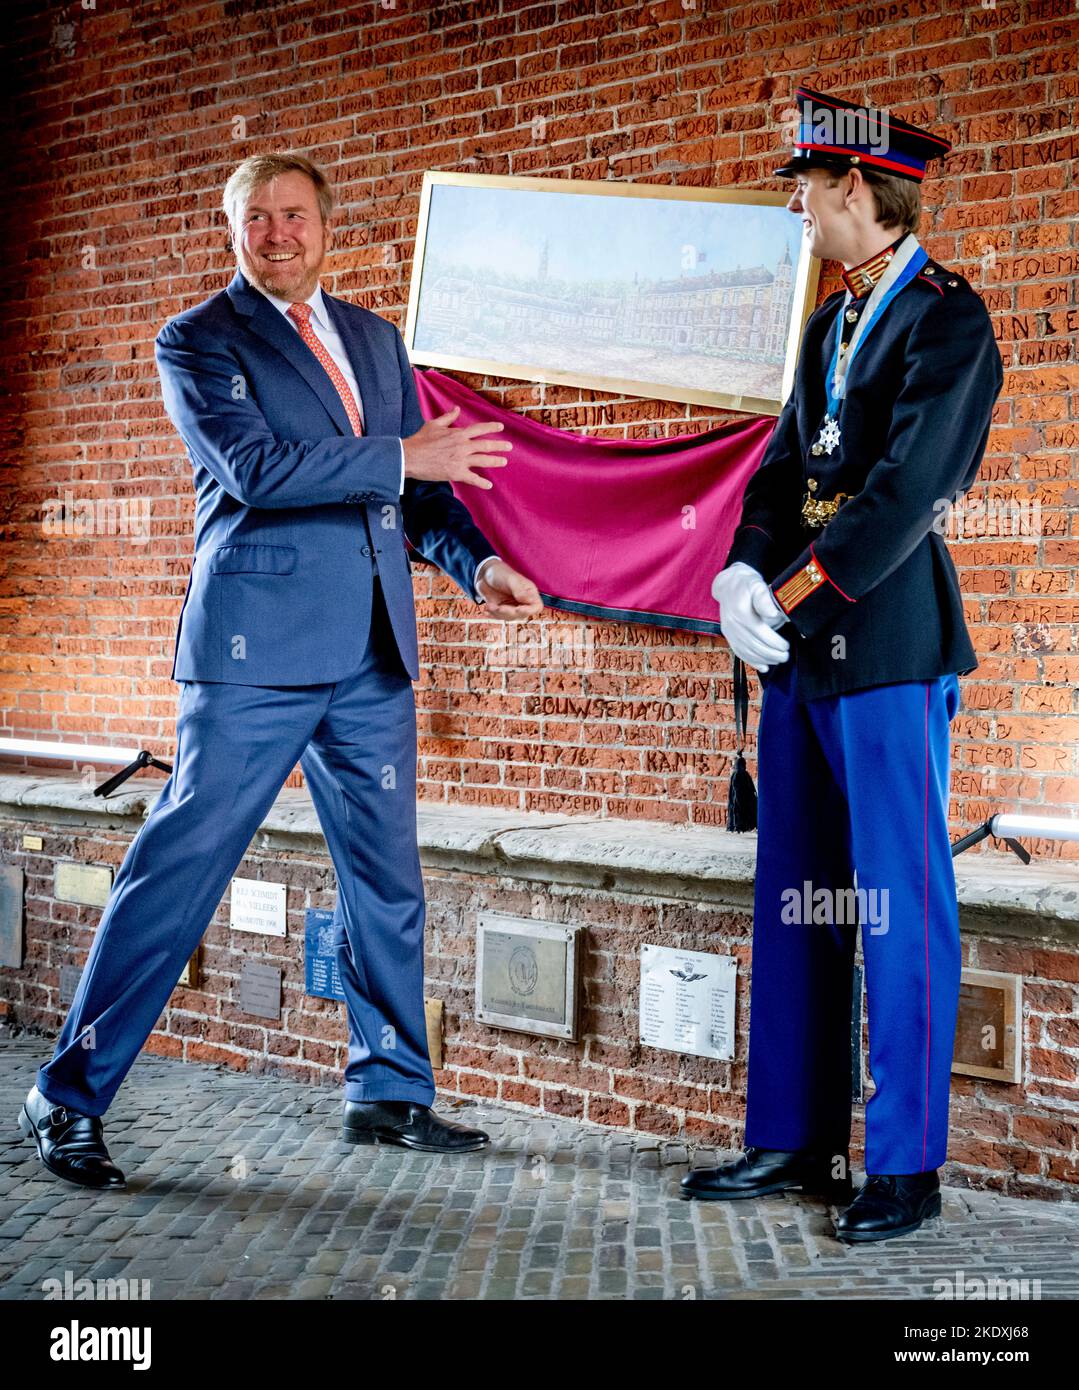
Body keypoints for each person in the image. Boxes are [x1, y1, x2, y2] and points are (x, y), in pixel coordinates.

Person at [20, 151, 544, 1189]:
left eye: (294, 215)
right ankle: (65, 1094)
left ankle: (389, 1088)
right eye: (255, 218)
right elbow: (255, 469)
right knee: (179, 872)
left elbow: (416, 495)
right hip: (252, 656)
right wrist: (406, 461)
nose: (277, 234)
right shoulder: (199, 340)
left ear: (325, 224)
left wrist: (473, 560)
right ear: (234, 231)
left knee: (386, 880)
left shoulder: (375, 342)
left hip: (370, 655)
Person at [686, 87, 1003, 1243]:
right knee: (796, 894)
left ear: (856, 191)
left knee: (895, 906)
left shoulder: (945, 319)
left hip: (881, 642)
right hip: (796, 653)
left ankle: (903, 1165)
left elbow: (904, 494)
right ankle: (791, 1134)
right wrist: (737, 574)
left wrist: (789, 593)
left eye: (805, 192)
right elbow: (782, 470)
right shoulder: (829, 320)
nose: (797, 210)